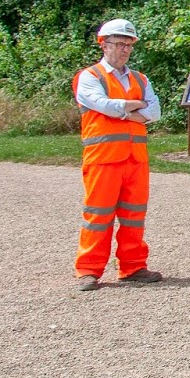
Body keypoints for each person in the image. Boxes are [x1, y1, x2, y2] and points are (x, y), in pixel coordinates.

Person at [72, 19, 163, 292]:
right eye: (119, 44)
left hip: (136, 159)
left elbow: (155, 113)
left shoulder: (140, 78)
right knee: (98, 215)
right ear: (104, 44)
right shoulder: (89, 77)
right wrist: (134, 108)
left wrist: (120, 109)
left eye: (128, 44)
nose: (124, 49)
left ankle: (133, 266)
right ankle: (88, 269)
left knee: (134, 216)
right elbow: (102, 105)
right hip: (103, 157)